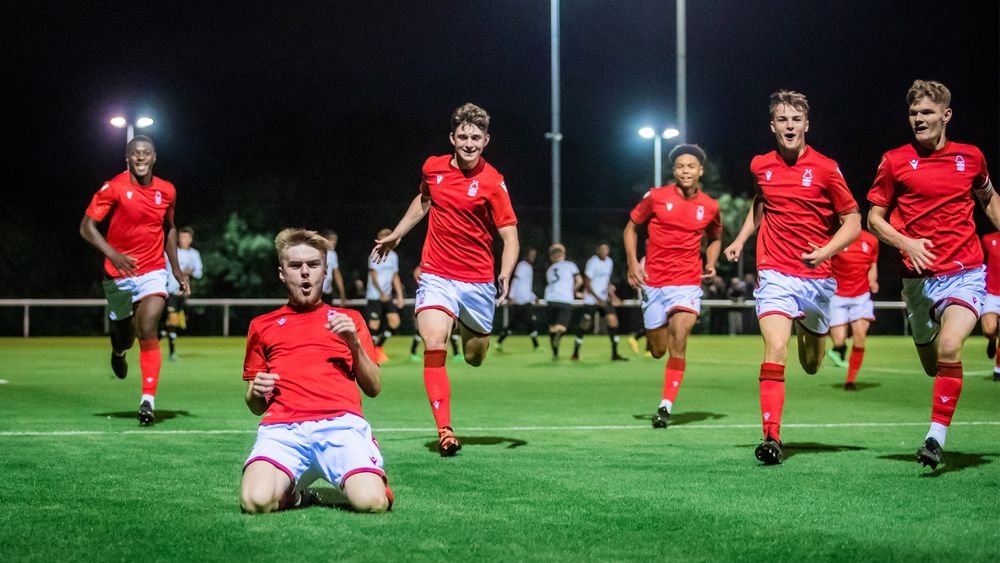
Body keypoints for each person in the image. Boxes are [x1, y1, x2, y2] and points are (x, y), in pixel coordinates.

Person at [372, 103, 519, 456]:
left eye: (476, 138)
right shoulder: (433, 167)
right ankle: (445, 431)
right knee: (434, 342)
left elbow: (510, 236)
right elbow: (424, 201)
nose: (469, 144)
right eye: (463, 137)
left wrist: (505, 272)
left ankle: (470, 328)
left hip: (477, 282)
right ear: (452, 138)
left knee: (474, 357)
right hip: (436, 275)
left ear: (486, 141)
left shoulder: (493, 182)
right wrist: (398, 233)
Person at [867, 80, 998, 469]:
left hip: (965, 271)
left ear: (946, 115)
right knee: (932, 364)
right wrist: (905, 243)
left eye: (926, 112)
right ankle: (929, 346)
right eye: (913, 113)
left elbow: (988, 199)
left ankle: (934, 439)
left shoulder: (971, 157)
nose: (919, 119)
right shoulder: (894, 161)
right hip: (918, 282)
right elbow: (873, 218)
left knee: (950, 347)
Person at [724, 91, 860, 465]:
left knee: (812, 365)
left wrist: (826, 251)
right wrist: (740, 239)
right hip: (774, 273)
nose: (789, 126)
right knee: (775, 348)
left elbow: (853, 221)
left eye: (796, 119)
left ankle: (808, 330)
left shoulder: (826, 168)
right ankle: (772, 437)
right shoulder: (760, 165)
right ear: (773, 126)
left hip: (817, 278)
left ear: (806, 125)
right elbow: (761, 202)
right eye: (782, 119)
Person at [240, 228, 391, 514]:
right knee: (254, 501)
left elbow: (373, 388)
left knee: (373, 502)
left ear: (325, 270)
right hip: (282, 430)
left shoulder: (350, 320)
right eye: (295, 265)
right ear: (282, 273)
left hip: (340, 427)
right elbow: (255, 406)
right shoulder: (261, 326)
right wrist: (256, 391)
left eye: (313, 264)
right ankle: (297, 495)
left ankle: (363, 475)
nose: (305, 272)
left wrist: (354, 344)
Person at [79, 135, 188, 426]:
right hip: (118, 275)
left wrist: (176, 269)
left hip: (152, 270)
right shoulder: (114, 187)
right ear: (127, 158)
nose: (140, 157)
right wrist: (112, 254)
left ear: (154, 158)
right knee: (125, 337)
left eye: (146, 152)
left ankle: (147, 401)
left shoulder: (167, 190)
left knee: (148, 328)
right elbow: (86, 227)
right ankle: (118, 352)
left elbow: (170, 228)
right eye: (135, 153)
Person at [624, 144, 722, 428]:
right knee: (658, 350)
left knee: (679, 338)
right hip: (653, 282)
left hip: (687, 283)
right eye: (680, 166)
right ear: (674, 171)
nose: (685, 171)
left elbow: (715, 237)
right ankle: (660, 327)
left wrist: (711, 262)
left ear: (700, 171)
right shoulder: (656, 197)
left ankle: (665, 406)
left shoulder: (710, 206)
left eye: (691, 166)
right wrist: (632, 263)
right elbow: (630, 227)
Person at [828, 230, 879, 389]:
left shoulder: (871, 240)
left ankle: (850, 380)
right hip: (837, 296)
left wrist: (872, 282)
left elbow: (873, 265)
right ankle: (839, 349)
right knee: (839, 342)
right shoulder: (834, 239)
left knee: (860, 336)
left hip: (861, 296)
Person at [578, 243, 629, 361]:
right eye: (602, 249)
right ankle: (575, 352)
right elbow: (587, 283)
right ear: (598, 250)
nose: (604, 251)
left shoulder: (609, 262)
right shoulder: (592, 262)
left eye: (606, 249)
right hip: (591, 299)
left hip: (603, 299)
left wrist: (613, 296)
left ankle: (615, 354)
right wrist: (598, 299)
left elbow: (606, 282)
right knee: (585, 324)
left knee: (613, 321)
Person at [164, 226, 204, 361]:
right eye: (182, 237)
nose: (184, 240)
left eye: (187, 237)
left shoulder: (194, 254)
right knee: (173, 319)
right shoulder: (170, 252)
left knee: (173, 323)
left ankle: (160, 335)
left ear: (191, 239)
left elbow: (199, 273)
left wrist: (190, 272)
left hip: (183, 292)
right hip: (169, 290)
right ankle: (172, 352)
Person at [366, 228, 405, 363]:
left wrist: (400, 295)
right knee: (374, 326)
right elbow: (373, 275)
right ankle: (370, 352)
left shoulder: (394, 256)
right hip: (374, 295)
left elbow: (395, 276)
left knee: (395, 322)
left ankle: (378, 347)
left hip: (387, 296)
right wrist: (381, 293)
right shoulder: (374, 254)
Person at [497, 247, 540, 351]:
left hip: (525, 300)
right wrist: (511, 295)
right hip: (520, 301)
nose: (533, 257)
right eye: (531, 254)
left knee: (517, 324)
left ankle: (499, 343)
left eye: (534, 255)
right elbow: (516, 280)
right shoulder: (522, 265)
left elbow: (526, 286)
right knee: (530, 322)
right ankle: (536, 346)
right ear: (527, 255)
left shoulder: (528, 267)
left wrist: (533, 296)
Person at [544, 244, 583, 360]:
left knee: (552, 327)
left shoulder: (550, 269)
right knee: (562, 327)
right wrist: (574, 290)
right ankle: (558, 335)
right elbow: (579, 280)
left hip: (550, 298)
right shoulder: (570, 265)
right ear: (563, 254)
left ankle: (555, 353)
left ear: (552, 257)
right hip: (564, 298)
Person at [981, 232, 1000, 381]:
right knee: (989, 330)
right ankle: (992, 340)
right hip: (991, 293)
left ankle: (998, 369)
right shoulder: (988, 239)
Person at [321, 229, 347, 306]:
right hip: (316, 292)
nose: (334, 242)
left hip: (328, 292)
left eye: (336, 240)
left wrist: (342, 292)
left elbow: (336, 273)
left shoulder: (333, 254)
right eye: (332, 239)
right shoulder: (316, 252)